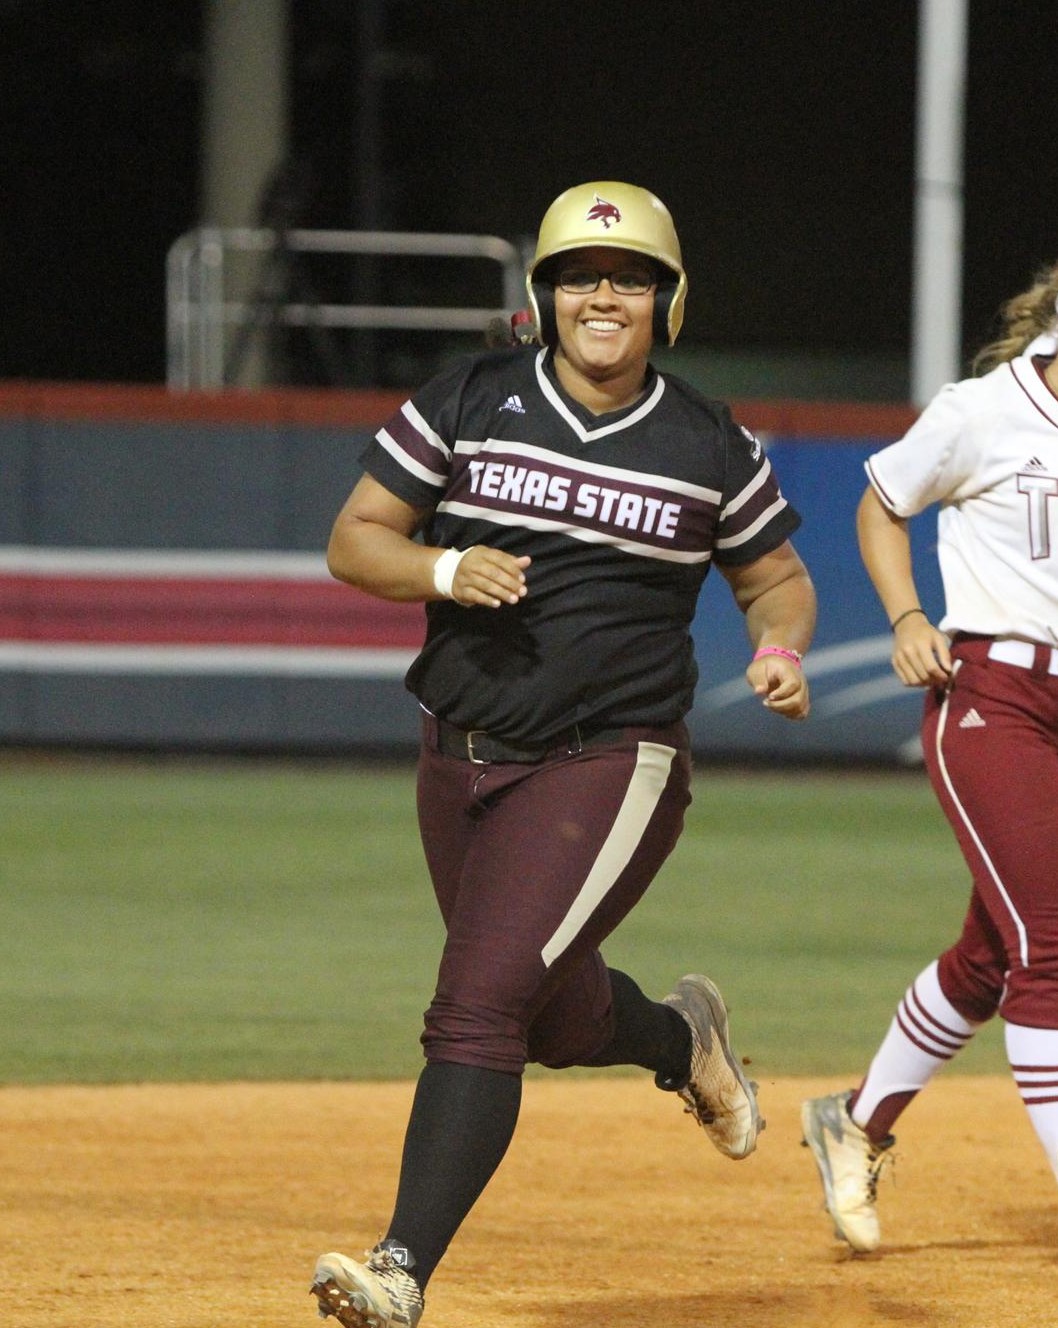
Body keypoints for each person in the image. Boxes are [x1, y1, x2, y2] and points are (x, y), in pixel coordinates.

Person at [309, 180, 816, 1328]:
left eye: (629, 278)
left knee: (476, 1006)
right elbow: (355, 539)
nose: (602, 294)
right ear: (542, 295)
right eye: (579, 276)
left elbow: (773, 573)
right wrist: (444, 569)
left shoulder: (704, 439)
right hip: (457, 747)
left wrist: (777, 645)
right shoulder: (469, 397)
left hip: (611, 755)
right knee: (541, 1015)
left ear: (665, 301)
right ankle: (678, 1037)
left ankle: (399, 1268)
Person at [801, 260, 1058, 1253]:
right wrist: (907, 616)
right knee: (1048, 952)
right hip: (993, 695)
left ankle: (852, 1122)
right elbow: (879, 501)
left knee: (992, 954)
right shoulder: (980, 411)